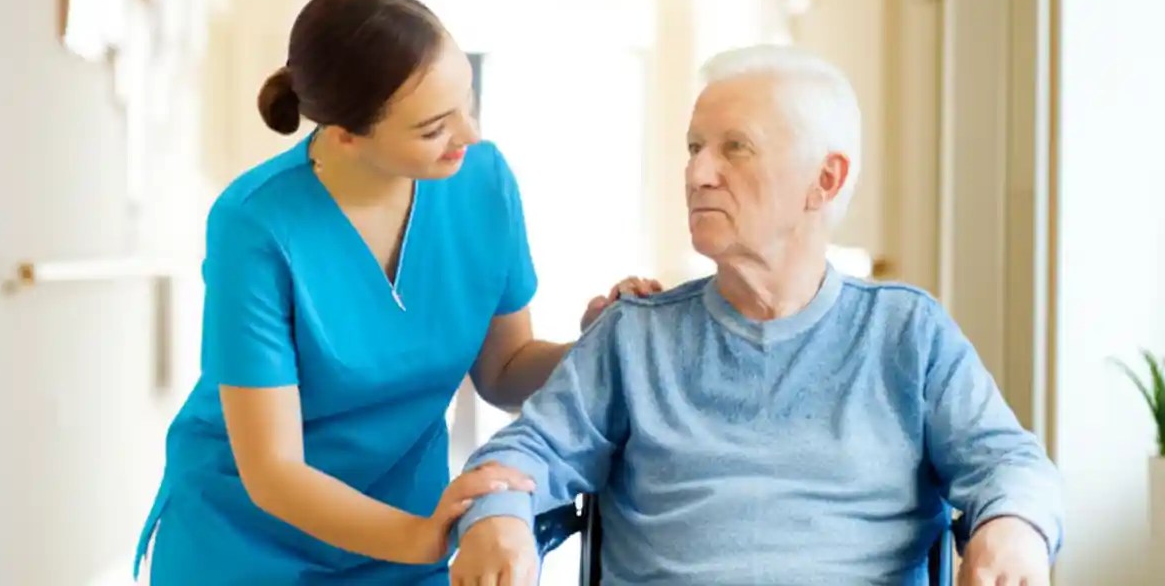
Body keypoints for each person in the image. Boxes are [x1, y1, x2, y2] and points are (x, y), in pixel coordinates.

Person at [450, 45, 1064, 586]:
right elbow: (526, 451)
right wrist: (498, 517)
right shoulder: (636, 334)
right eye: (693, 149)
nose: (696, 173)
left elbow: (1009, 461)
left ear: (825, 179)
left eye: (734, 148)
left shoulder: (908, 334)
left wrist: (1014, 525)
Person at [131, 0, 660, 585]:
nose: (469, 135)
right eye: (434, 127)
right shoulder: (255, 223)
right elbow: (273, 470)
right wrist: (425, 537)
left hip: (405, 518)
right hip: (246, 540)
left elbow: (504, 371)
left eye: (468, 102)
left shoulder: (483, 183)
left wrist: (604, 347)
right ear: (347, 133)